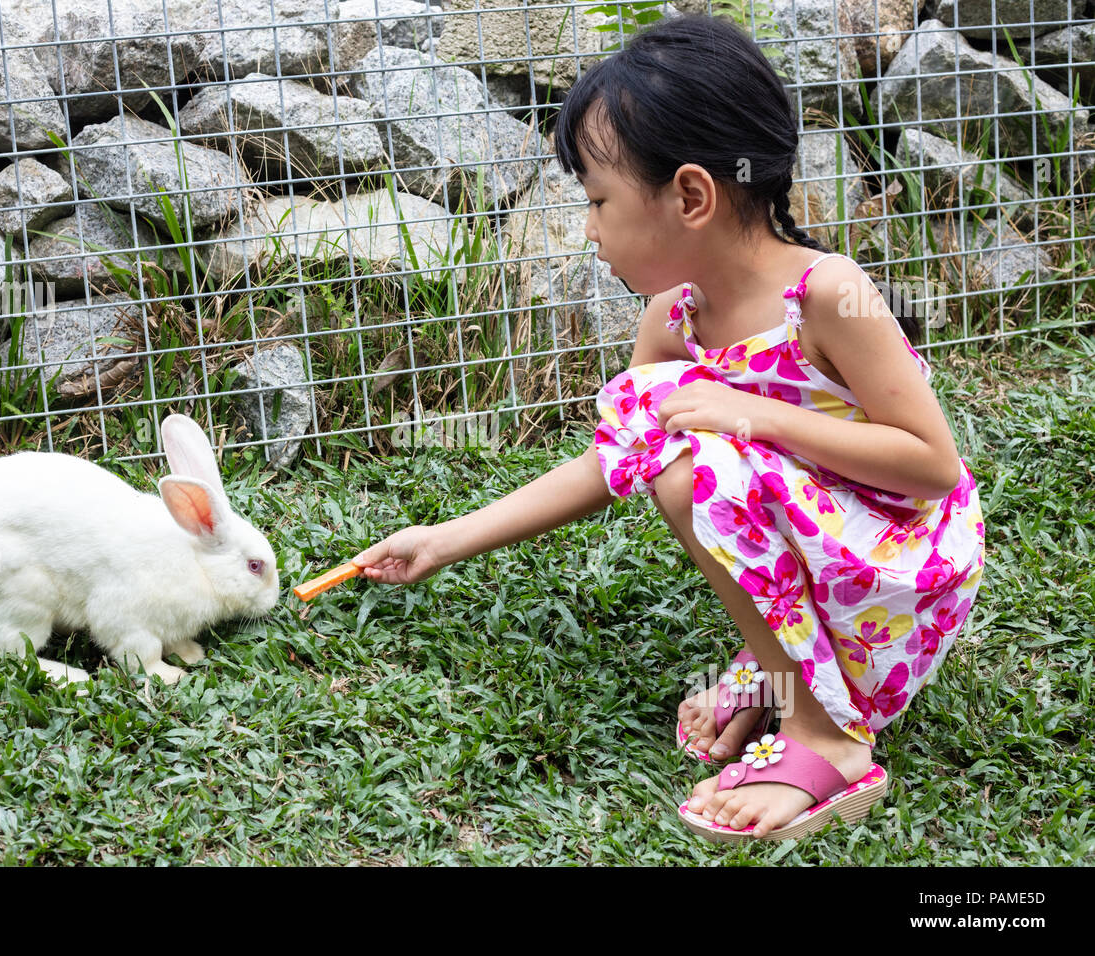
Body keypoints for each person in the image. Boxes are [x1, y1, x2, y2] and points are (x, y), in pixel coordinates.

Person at [351, 14, 985, 842]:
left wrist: (757, 415)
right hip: (821, 561)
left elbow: (933, 466)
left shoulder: (831, 293)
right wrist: (445, 539)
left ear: (690, 195)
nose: (588, 228)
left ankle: (827, 736)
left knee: (704, 468)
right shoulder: (674, 318)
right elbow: (609, 465)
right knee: (683, 457)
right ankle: (784, 676)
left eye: (599, 201)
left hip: (903, 566)